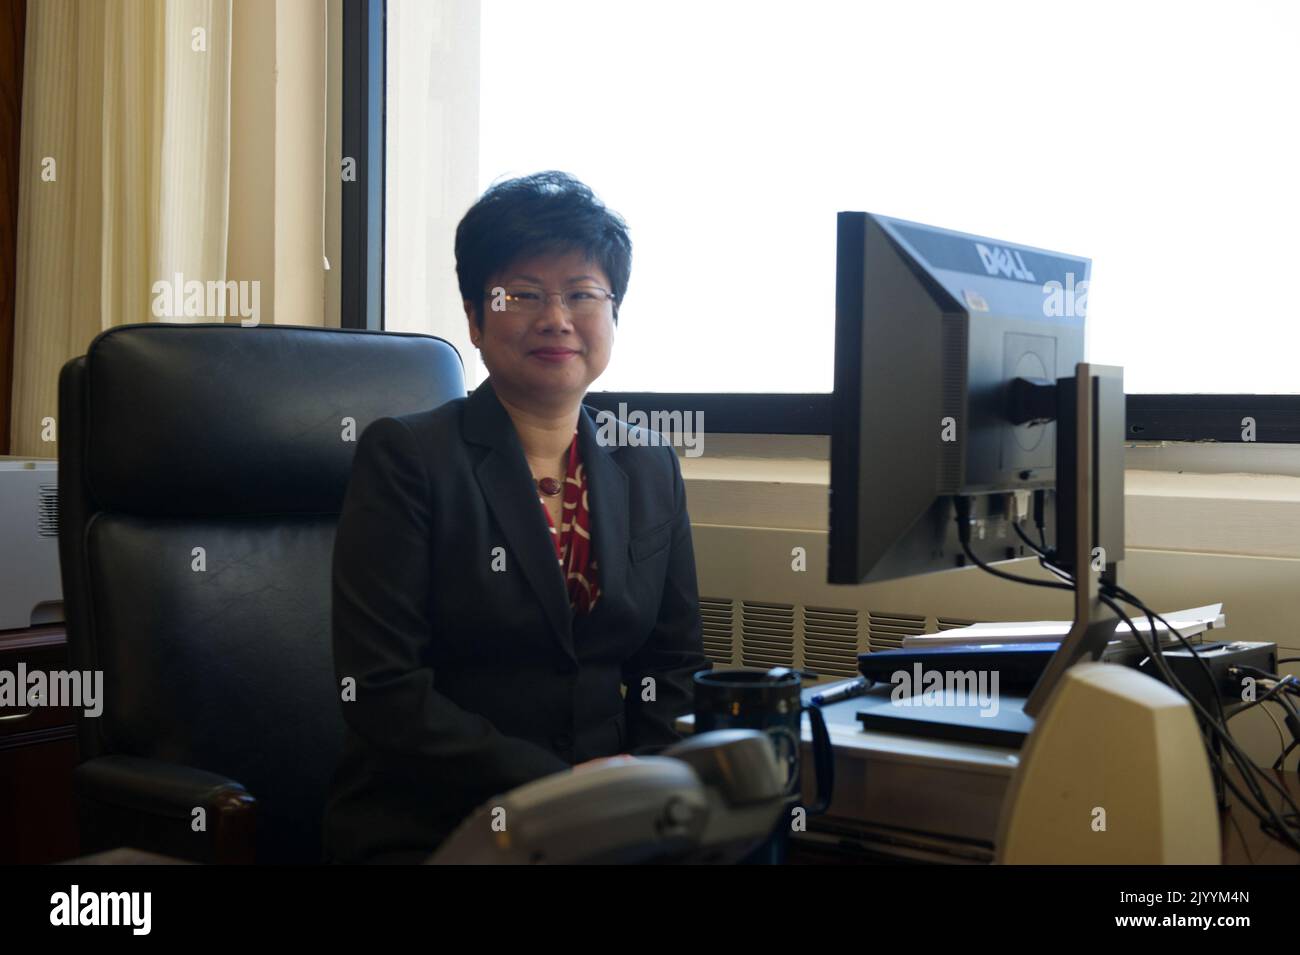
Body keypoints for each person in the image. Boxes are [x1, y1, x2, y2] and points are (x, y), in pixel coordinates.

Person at [322, 171, 712, 863]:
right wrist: (561, 790)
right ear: (475, 318)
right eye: (522, 294)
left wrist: (652, 792)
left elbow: (673, 664)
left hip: (609, 825)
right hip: (439, 822)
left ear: (613, 313)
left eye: (582, 294)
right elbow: (382, 691)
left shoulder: (649, 466)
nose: (556, 317)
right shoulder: (407, 458)